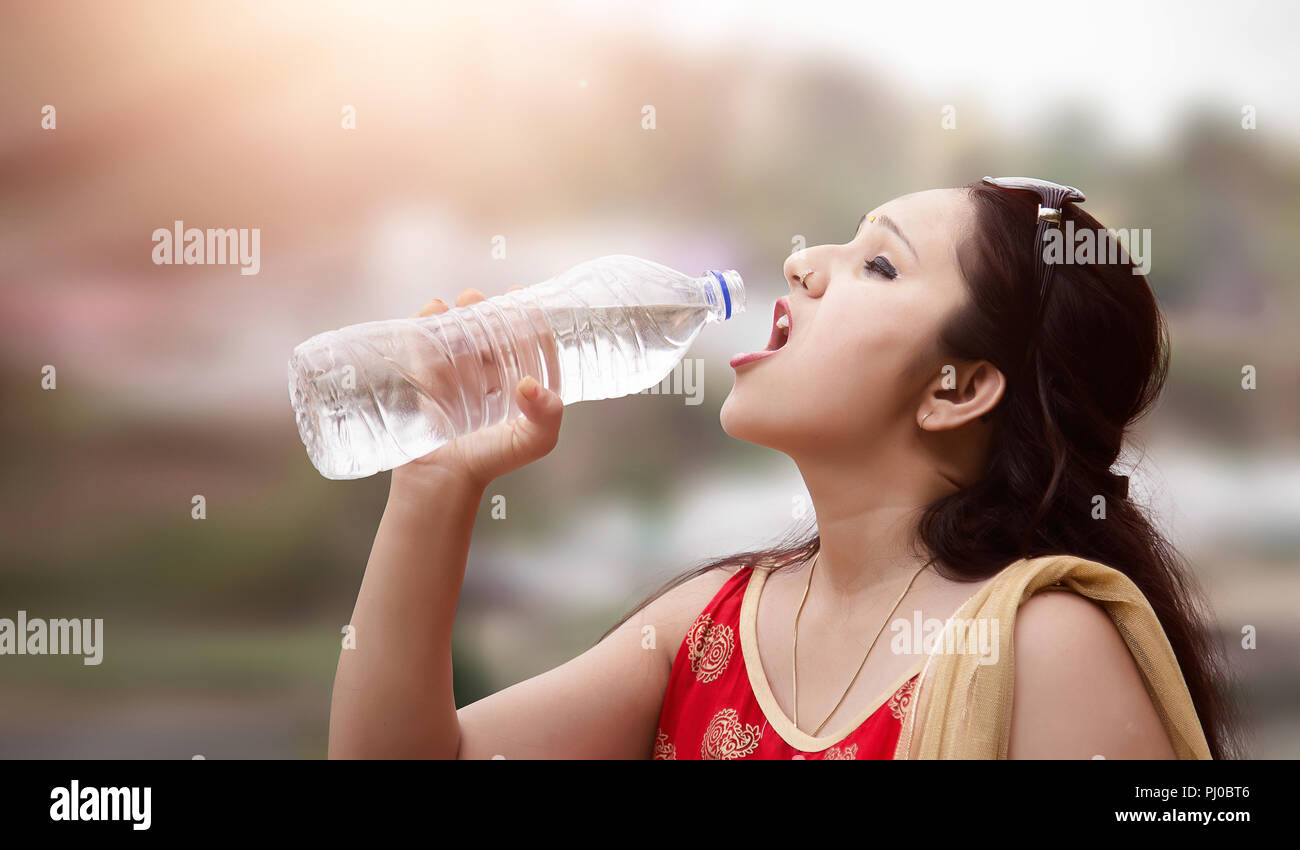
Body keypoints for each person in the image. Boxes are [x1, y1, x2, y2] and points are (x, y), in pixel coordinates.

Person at [327, 178, 1241, 760]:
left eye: (879, 265)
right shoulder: (708, 627)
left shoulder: (1042, 645)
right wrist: (434, 482)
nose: (803, 265)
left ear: (956, 389)